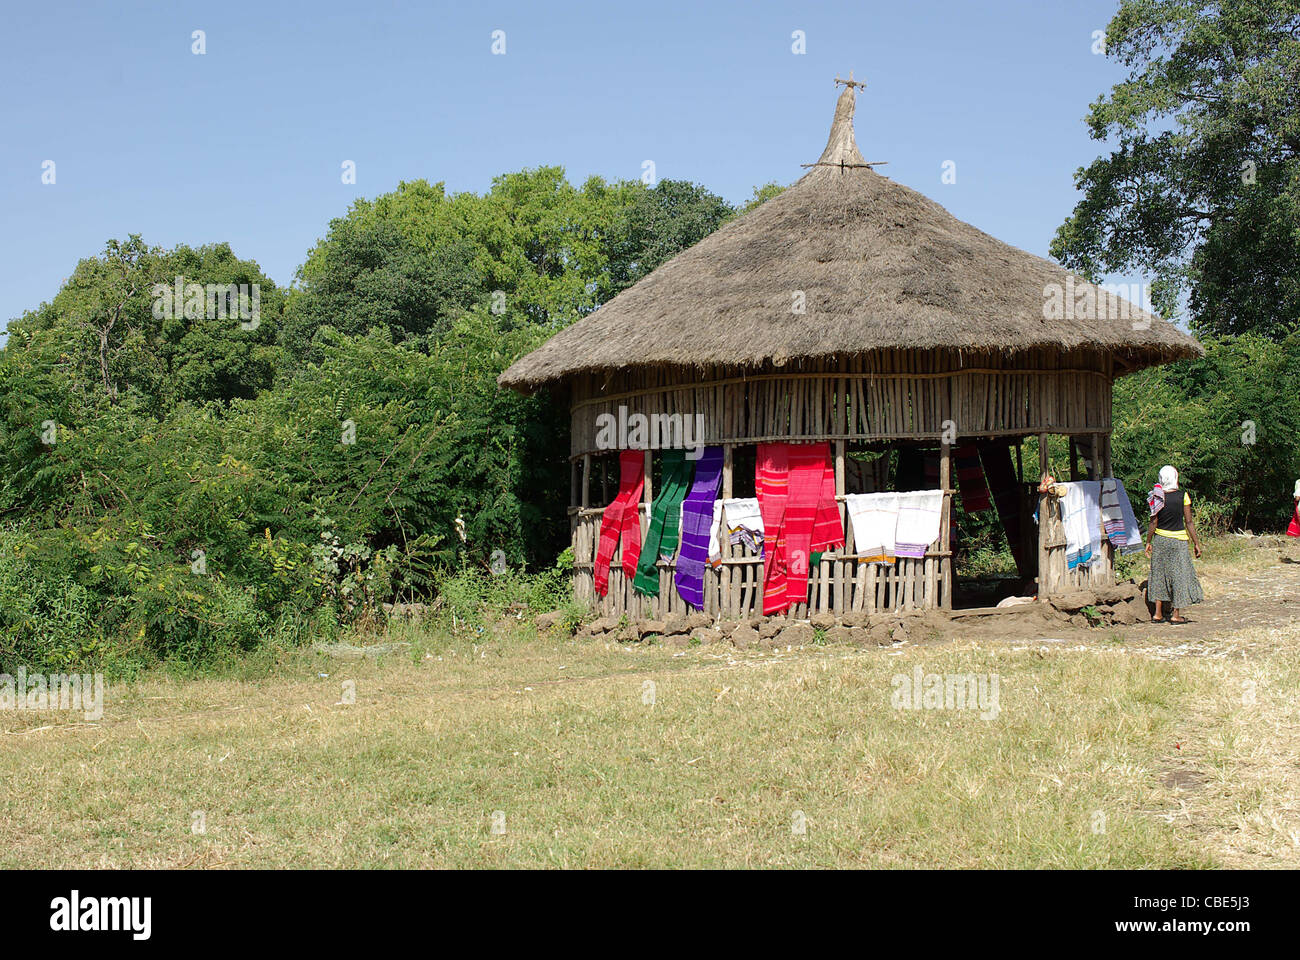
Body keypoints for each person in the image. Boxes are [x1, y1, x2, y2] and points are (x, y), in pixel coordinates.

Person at [1144, 465, 1203, 624]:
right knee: (1178, 575)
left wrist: (1148, 541)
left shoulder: (1157, 497)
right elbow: (1189, 522)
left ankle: (1157, 614)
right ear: (1175, 477)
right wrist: (1196, 543)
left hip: (1161, 540)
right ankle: (1176, 615)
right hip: (1179, 542)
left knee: (1158, 574)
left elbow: (1153, 522)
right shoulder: (1183, 496)